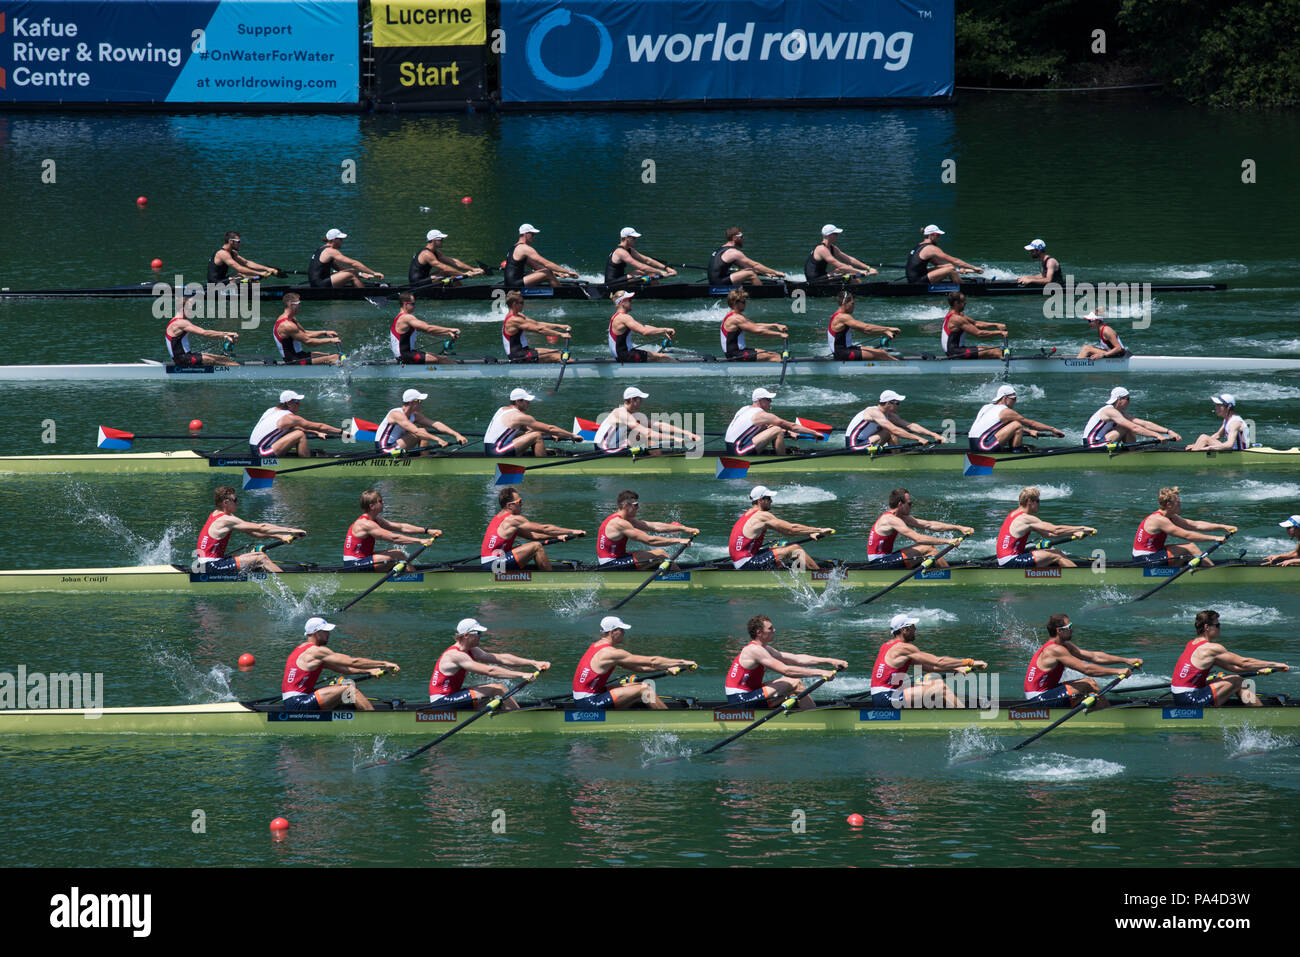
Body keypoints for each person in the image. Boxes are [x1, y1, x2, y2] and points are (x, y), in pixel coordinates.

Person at [572, 616, 696, 710]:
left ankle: (649, 711)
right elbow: (652, 661)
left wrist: (667, 668)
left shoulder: (597, 646)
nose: (624, 633)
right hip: (589, 702)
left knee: (640, 686)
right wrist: (683, 661)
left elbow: (640, 667)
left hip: (588, 696)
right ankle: (670, 720)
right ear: (612, 632)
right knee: (645, 688)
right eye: (621, 630)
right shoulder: (610, 653)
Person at [1170, 609, 1288, 707]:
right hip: (1189, 699)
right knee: (1238, 681)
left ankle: (1253, 708)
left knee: (1234, 678)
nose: (1219, 627)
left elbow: (1234, 667)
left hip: (1181, 696)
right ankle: (1260, 715)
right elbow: (1244, 662)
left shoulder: (1192, 643)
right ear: (1207, 627)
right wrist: (1274, 664)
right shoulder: (1211, 648)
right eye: (1217, 625)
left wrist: (1257, 670)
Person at [723, 614, 846, 709]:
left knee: (794, 687)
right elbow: (786, 670)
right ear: (759, 633)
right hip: (740, 701)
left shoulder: (765, 649)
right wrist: (821, 672)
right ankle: (814, 717)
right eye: (770, 628)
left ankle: (809, 711)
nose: (774, 630)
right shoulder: (754, 650)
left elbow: (797, 658)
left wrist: (830, 660)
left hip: (751, 694)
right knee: (794, 682)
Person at [281, 617, 400, 712]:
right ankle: (376, 722)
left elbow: (345, 669)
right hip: (298, 703)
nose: (328, 634)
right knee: (349, 690)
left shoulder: (301, 649)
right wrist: (384, 663)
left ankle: (351, 717)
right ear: (316, 633)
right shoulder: (316, 651)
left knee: (347, 685)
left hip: (295, 701)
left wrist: (369, 670)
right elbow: (353, 661)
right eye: (325, 631)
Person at [428, 618, 549, 711]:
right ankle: (519, 719)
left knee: (492, 699)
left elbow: (501, 658)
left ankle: (505, 715)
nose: (481, 635)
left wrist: (534, 662)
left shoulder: (471, 650)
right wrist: (522, 675)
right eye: (478, 633)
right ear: (466, 635)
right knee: (498, 688)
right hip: (442, 703)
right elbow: (490, 671)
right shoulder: (455, 655)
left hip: (453, 697)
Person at [1023, 613, 1142, 708]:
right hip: (1038, 700)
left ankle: (1098, 709)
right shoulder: (1054, 650)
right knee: (1089, 683)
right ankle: (1107, 715)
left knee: (1087, 690)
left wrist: (1126, 660)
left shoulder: (1065, 645)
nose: (1072, 629)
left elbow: (1094, 656)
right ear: (1059, 631)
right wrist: (1117, 671)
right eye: (1069, 627)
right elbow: (1086, 669)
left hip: (1048, 692)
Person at [869, 614, 987, 708]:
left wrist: (956, 668)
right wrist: (970, 662)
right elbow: (938, 661)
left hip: (885, 693)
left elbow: (930, 668)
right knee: (941, 688)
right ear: (904, 630)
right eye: (912, 626)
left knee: (935, 682)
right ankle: (965, 719)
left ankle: (952, 708)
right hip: (886, 697)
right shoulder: (903, 648)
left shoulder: (887, 645)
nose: (915, 629)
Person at [194, 485, 305, 574]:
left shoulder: (217, 514)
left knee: (256, 557)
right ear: (226, 503)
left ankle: (275, 576)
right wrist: (291, 530)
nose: (237, 502)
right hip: (211, 566)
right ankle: (288, 584)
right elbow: (261, 527)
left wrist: (280, 536)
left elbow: (254, 533)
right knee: (261, 558)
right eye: (235, 500)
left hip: (208, 563)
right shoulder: (225, 520)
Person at [729, 485, 833, 571]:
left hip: (740, 560)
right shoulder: (762, 515)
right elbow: (791, 529)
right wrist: (819, 530)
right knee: (796, 549)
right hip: (746, 564)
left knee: (783, 547)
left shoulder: (748, 513)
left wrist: (809, 532)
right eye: (768, 498)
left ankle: (804, 570)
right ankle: (820, 576)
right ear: (760, 500)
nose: (771, 501)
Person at [481, 488, 586, 570]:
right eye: (519, 501)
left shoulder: (500, 518)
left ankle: (543, 573)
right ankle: (551, 580)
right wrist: (573, 531)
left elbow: (534, 536)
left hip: (493, 561)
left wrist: (557, 536)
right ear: (509, 505)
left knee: (530, 546)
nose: (522, 504)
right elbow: (544, 528)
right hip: (493, 564)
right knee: (536, 547)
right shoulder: (512, 520)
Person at [866, 488, 972, 569]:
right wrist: (948, 541)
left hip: (887, 558)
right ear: (900, 504)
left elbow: (929, 525)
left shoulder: (900, 516)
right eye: (909, 504)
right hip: (879, 563)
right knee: (929, 549)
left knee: (927, 550)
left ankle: (941, 571)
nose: (911, 506)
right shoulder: (890, 519)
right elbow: (918, 539)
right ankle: (949, 576)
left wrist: (959, 527)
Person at [1132, 486, 1236, 567]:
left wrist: (1223, 526)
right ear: (1169, 505)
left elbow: (1195, 525)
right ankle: (1212, 572)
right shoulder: (1159, 520)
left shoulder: (1171, 516)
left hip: (1154, 554)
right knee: (1190, 547)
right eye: (1178, 502)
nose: (1180, 504)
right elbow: (1187, 535)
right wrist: (1215, 538)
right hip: (1143, 560)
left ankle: (1196, 566)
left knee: (1185, 551)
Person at [995, 486, 1096, 568]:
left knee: (1054, 552)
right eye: (1038, 501)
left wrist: (1072, 533)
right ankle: (1079, 578)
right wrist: (1082, 528)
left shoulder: (1014, 514)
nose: (1039, 504)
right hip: (1010, 560)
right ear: (1030, 501)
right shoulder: (1025, 519)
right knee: (1057, 555)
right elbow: (1055, 530)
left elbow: (1050, 534)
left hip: (1005, 558)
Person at [596, 490, 699, 570]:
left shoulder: (626, 519)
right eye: (635, 505)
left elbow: (654, 526)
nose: (638, 507)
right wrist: (678, 540)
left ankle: (668, 571)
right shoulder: (619, 523)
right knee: (661, 554)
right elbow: (649, 540)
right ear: (625, 505)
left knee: (651, 556)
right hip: (610, 564)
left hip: (618, 558)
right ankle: (680, 576)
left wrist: (684, 528)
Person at [343, 489, 440, 570]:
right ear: (372, 506)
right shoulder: (365, 524)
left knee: (398, 553)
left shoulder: (376, 520)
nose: (383, 503)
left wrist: (427, 530)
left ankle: (406, 574)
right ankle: (414, 578)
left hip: (364, 559)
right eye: (380, 501)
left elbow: (401, 527)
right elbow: (394, 538)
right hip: (354, 564)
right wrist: (420, 541)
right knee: (398, 556)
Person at [594, 386, 701, 454]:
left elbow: (658, 425)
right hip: (604, 449)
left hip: (610, 444)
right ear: (632, 400)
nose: (642, 402)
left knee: (640, 437)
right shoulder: (622, 413)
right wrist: (674, 439)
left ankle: (655, 460)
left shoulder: (632, 414)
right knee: (647, 438)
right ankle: (659, 466)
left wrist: (686, 432)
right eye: (640, 399)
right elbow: (648, 433)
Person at [483, 387, 582, 456]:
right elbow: (550, 428)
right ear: (518, 401)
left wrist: (552, 434)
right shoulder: (520, 416)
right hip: (497, 452)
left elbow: (528, 429)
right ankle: (543, 466)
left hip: (489, 450)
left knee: (533, 433)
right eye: (526, 401)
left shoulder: (502, 409)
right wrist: (572, 435)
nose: (529, 403)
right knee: (536, 436)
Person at [249, 389, 345, 458]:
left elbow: (295, 428)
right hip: (262, 453)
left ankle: (302, 455)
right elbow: (320, 426)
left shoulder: (271, 410)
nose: (299, 404)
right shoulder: (290, 418)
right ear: (287, 403)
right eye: (296, 401)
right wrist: (342, 432)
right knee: (299, 435)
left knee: (296, 432)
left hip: (255, 448)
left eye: (299, 401)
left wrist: (316, 433)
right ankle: (306, 463)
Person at [968, 384, 1065, 452]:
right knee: (1017, 425)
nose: (1015, 401)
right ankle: (1016, 451)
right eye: (1013, 399)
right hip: (984, 446)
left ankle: (1014, 448)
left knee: (1014, 425)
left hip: (973, 444)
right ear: (1005, 398)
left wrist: (1028, 431)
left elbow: (1003, 427)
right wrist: (1052, 429)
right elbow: (1032, 424)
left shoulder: (986, 407)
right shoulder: (1006, 412)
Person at [845, 391, 947, 450]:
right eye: (897, 403)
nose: (899, 406)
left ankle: (896, 454)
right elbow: (894, 430)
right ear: (888, 403)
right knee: (890, 431)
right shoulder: (873, 411)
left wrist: (934, 435)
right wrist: (918, 439)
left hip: (867, 441)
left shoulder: (889, 415)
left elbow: (910, 425)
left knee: (890, 431)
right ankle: (897, 458)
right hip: (854, 445)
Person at [1082, 386, 1181, 447]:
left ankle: (1131, 450)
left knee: (1128, 426)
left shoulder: (1118, 412)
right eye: (1128, 399)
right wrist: (1157, 435)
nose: (1129, 402)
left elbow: (1144, 423)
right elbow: (1134, 427)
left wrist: (1168, 431)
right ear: (1119, 399)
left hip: (1099, 442)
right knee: (1127, 427)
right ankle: (1132, 453)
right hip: (1093, 445)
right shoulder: (1110, 411)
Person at [724, 386, 811, 455]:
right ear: (760, 400)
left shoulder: (745, 409)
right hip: (739, 452)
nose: (771, 401)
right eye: (768, 399)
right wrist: (814, 433)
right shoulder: (760, 414)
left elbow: (767, 426)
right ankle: (782, 460)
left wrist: (788, 432)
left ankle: (781, 452)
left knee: (776, 429)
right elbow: (787, 426)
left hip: (730, 448)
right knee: (777, 431)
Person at [376, 388, 467, 452]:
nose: (421, 403)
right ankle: (423, 463)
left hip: (397, 446)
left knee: (423, 431)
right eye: (419, 401)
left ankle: (423, 459)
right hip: (385, 450)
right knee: (421, 431)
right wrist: (438, 439)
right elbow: (416, 432)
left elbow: (435, 424)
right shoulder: (396, 414)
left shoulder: (414, 415)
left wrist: (457, 435)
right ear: (411, 403)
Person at [164, 295, 239, 367]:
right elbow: (205, 333)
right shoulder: (180, 323)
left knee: (223, 358)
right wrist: (226, 335)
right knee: (212, 360)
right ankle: (241, 371)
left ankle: (237, 369)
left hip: (187, 356)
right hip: (183, 360)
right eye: (190, 309)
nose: (192, 311)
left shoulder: (176, 320)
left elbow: (191, 299)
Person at [501, 290, 572, 363]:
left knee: (559, 352)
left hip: (524, 351)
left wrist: (560, 326)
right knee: (558, 356)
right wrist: (561, 334)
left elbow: (538, 324)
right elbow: (539, 330)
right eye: (521, 303)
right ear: (514, 304)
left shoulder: (519, 316)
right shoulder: (513, 320)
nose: (523, 305)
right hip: (517, 356)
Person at [390, 292, 462, 364]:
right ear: (405, 304)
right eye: (413, 304)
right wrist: (450, 329)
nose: (415, 306)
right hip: (405, 356)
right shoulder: (406, 317)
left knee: (441, 358)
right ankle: (459, 371)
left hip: (407, 354)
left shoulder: (402, 318)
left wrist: (447, 333)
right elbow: (428, 328)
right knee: (439, 359)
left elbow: (429, 330)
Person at [606, 291, 677, 363]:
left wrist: (664, 331)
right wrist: (665, 330)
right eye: (629, 300)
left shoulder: (617, 316)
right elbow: (644, 331)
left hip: (623, 354)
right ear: (622, 303)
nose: (632, 302)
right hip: (625, 356)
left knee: (660, 355)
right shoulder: (624, 318)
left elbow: (644, 327)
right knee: (664, 358)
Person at [827, 291, 899, 361]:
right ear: (845, 303)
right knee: (881, 355)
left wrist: (884, 331)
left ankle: (898, 364)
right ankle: (903, 367)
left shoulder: (837, 315)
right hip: (842, 353)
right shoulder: (842, 317)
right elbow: (866, 328)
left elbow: (866, 331)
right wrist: (887, 329)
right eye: (852, 303)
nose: (854, 306)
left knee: (882, 352)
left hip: (846, 349)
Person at [719, 289, 789, 361]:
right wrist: (780, 334)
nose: (745, 304)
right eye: (743, 302)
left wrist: (775, 325)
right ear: (735, 303)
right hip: (736, 355)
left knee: (770, 354)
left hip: (738, 352)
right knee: (774, 356)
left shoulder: (734, 315)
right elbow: (759, 331)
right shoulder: (736, 318)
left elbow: (754, 325)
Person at [271, 293, 341, 365]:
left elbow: (305, 333)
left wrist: (325, 332)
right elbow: (309, 342)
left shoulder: (291, 319)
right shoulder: (287, 325)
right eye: (299, 304)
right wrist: (330, 340)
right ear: (291, 305)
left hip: (300, 355)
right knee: (335, 357)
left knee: (327, 355)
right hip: (293, 360)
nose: (300, 306)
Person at [503, 223, 578, 287]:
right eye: (532, 234)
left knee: (547, 271)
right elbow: (547, 264)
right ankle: (562, 293)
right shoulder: (524, 248)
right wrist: (567, 272)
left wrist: (558, 273)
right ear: (526, 234)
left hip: (510, 282)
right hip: (514, 285)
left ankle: (556, 286)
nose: (534, 237)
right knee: (548, 273)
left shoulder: (514, 247)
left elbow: (537, 266)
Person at [904, 225, 982, 284]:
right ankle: (964, 288)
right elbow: (955, 260)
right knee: (950, 270)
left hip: (915, 277)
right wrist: (974, 268)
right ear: (931, 235)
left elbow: (938, 264)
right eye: (937, 235)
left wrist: (959, 269)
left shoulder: (920, 245)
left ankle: (955, 279)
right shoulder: (931, 248)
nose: (939, 237)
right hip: (917, 281)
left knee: (950, 267)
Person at [307, 228, 383, 288]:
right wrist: (373, 273)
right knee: (352, 273)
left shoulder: (321, 249)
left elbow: (340, 269)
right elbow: (354, 263)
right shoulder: (331, 251)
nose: (342, 241)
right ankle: (365, 295)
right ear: (334, 240)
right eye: (340, 239)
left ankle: (355, 288)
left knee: (351, 272)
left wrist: (361, 274)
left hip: (315, 283)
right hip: (320, 285)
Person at [941, 291, 1008, 359]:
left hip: (956, 350)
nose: (965, 303)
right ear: (956, 303)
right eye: (963, 301)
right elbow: (979, 334)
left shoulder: (954, 314)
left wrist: (995, 325)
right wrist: (1000, 332)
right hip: (955, 353)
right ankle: (1006, 368)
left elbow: (976, 323)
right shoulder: (957, 319)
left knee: (995, 350)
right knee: (996, 352)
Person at [707, 227, 785, 285]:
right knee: (750, 273)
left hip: (715, 279)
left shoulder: (722, 248)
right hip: (718, 283)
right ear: (734, 238)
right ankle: (762, 293)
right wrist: (776, 272)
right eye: (741, 237)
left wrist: (764, 273)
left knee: (746, 270)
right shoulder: (733, 252)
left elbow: (747, 267)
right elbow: (755, 265)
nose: (743, 239)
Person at [804, 224, 878, 283]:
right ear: (829, 235)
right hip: (814, 280)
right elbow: (840, 265)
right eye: (835, 234)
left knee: (848, 269)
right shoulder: (822, 249)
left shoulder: (832, 248)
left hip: (822, 275)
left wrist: (868, 268)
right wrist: (860, 271)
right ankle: (858, 288)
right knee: (848, 271)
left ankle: (857, 285)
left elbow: (849, 259)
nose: (837, 236)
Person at [408, 228, 483, 285]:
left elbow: (453, 261)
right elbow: (445, 268)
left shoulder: (435, 252)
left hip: (426, 278)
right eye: (441, 239)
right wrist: (464, 274)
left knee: (450, 274)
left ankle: (460, 289)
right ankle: (460, 290)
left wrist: (473, 269)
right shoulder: (426, 254)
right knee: (446, 272)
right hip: (417, 283)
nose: (443, 241)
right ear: (434, 241)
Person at [604, 227, 677, 285]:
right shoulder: (621, 252)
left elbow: (647, 260)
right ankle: (655, 289)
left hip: (621, 278)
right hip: (612, 283)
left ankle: (655, 286)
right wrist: (661, 272)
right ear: (627, 238)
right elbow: (641, 266)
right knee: (647, 273)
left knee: (648, 273)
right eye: (634, 238)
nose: (635, 240)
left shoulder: (629, 249)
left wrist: (666, 268)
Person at [207, 231, 278, 283]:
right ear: (231, 241)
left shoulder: (232, 253)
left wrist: (268, 269)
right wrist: (260, 273)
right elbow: (239, 268)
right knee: (241, 276)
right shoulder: (222, 254)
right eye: (238, 242)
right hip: (214, 284)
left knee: (246, 277)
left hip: (223, 279)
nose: (239, 244)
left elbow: (246, 263)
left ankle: (253, 291)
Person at [1185, 394, 1250, 451]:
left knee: (1204, 437)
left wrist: (1209, 448)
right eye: (1216, 405)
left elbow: (1229, 444)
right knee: (1203, 439)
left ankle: (1192, 457)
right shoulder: (1227, 420)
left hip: (1238, 452)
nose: (1216, 408)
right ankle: (1195, 451)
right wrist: (1196, 444)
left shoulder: (1235, 423)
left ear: (1228, 407)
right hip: (1232, 450)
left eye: (1219, 405)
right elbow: (1218, 435)